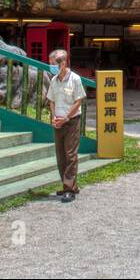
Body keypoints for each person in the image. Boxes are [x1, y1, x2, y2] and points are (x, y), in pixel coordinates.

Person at [46, 48, 86, 203]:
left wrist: (66, 118)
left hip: (71, 121)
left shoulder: (75, 79)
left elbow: (78, 101)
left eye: (53, 64)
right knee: (61, 155)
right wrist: (54, 117)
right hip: (58, 121)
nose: (51, 67)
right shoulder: (54, 80)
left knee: (70, 154)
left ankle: (69, 188)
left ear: (63, 63)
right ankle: (68, 185)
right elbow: (51, 100)